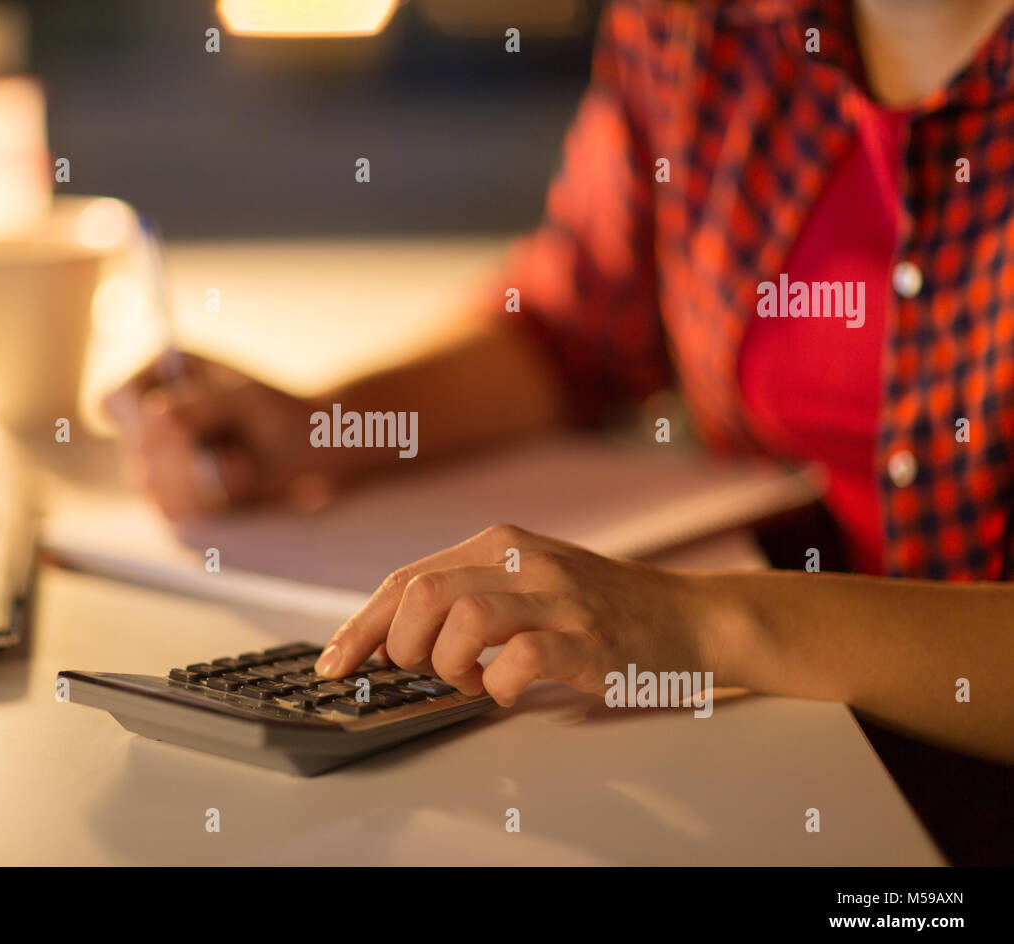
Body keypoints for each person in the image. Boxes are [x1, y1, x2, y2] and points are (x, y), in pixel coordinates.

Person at [105, 0, 1014, 765]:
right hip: (785, 751)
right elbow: (576, 329)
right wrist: (326, 428)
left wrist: (701, 626)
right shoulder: (702, 23)